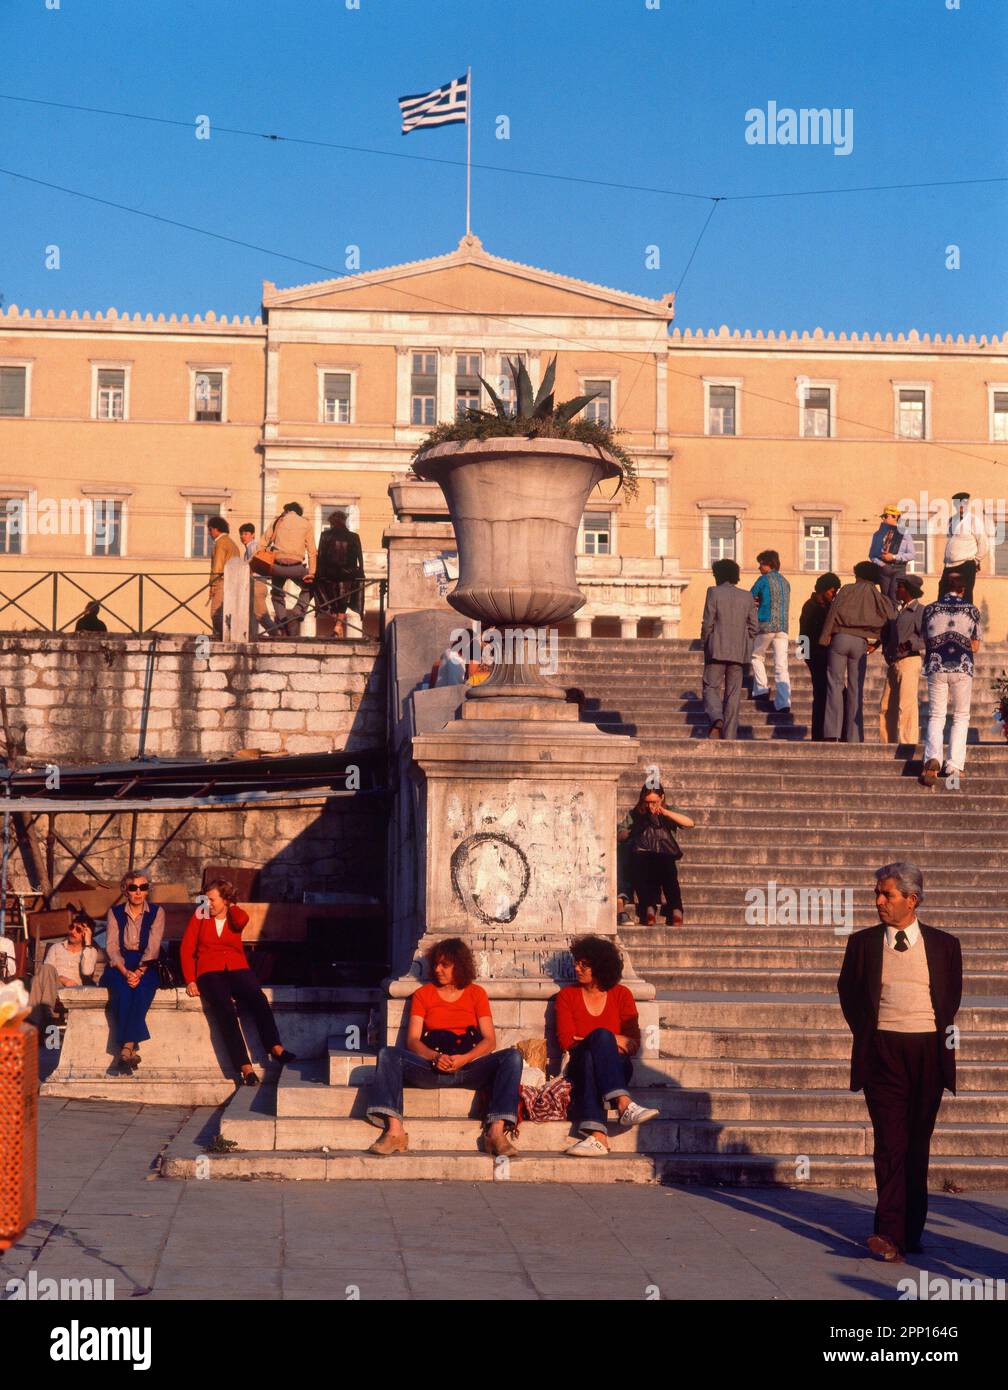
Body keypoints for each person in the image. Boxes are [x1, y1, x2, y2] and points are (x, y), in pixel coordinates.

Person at [837, 863, 962, 1262]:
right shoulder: (862, 944)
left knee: (916, 1144)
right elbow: (850, 995)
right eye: (877, 893)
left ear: (913, 899)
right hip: (883, 1052)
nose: (879, 901)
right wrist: (874, 1034)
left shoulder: (945, 945)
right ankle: (888, 1233)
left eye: (887, 894)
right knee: (890, 1143)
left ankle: (910, 1231)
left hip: (928, 1052)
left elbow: (950, 999)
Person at [365, 937, 521, 1158]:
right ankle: (395, 1131)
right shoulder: (423, 994)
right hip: (430, 1068)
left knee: (512, 1057)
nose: (437, 969)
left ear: (460, 966)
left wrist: (465, 1058)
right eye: (436, 964)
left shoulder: (476, 994)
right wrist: (435, 1057)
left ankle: (496, 1133)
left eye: (444, 965)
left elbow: (489, 1040)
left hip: (468, 1067)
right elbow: (412, 1040)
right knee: (387, 1054)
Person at [180, 879, 295, 1085]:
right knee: (225, 1010)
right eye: (205, 900)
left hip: (236, 966)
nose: (208, 904)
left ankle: (275, 1047)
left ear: (225, 899)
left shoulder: (236, 914)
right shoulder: (200, 915)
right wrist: (190, 979)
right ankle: (245, 1067)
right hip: (209, 970)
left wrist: (231, 905)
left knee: (258, 998)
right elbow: (187, 949)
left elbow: (241, 921)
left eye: (213, 899)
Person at [556, 935, 659, 1156]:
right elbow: (566, 1040)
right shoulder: (567, 996)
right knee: (599, 1041)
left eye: (584, 964)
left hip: (618, 1067)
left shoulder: (622, 995)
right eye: (576, 962)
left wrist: (596, 1040)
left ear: (600, 966)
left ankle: (598, 1137)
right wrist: (612, 1039)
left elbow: (632, 1043)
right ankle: (624, 1104)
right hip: (578, 1066)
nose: (577, 968)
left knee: (596, 1051)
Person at [819, 561, 896, 743]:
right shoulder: (878, 595)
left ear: (859, 575)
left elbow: (833, 612)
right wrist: (878, 643)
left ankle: (833, 733)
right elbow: (891, 619)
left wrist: (824, 638)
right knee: (856, 689)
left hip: (840, 638)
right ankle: (854, 735)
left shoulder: (846, 589)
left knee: (834, 686)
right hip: (861, 643)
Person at [919, 570, 981, 787]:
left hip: (936, 664)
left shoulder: (929, 609)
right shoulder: (972, 610)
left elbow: (924, 639)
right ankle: (954, 765)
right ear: (963, 589)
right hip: (962, 667)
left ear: (943, 587)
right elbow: (975, 644)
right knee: (961, 716)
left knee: (936, 715)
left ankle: (931, 761)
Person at [100, 873, 165, 1073]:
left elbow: (153, 947)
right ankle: (130, 1049)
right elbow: (111, 947)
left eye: (143, 887)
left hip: (147, 963)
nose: (138, 892)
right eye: (133, 888)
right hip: (121, 962)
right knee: (122, 992)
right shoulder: (115, 913)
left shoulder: (156, 912)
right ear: (125, 890)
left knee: (143, 991)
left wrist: (139, 971)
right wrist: (126, 971)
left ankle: (126, 1048)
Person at [617, 784, 694, 926]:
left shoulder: (669, 811)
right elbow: (620, 835)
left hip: (665, 857)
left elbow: (690, 823)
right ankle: (652, 909)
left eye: (654, 801)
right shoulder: (636, 813)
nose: (650, 805)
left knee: (668, 872)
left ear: (662, 797)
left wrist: (665, 812)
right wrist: (635, 830)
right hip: (643, 857)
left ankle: (671, 909)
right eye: (647, 802)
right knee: (644, 870)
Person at [700, 557, 759, 740]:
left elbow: (708, 622)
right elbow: (754, 627)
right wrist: (744, 644)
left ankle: (716, 717)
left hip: (716, 649)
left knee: (710, 686)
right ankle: (730, 734)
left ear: (718, 575)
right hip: (738, 654)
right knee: (733, 695)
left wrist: (706, 642)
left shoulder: (713, 592)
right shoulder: (747, 596)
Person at [27, 910, 101, 1025]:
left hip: (74, 989)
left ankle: (33, 1022)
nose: (73, 931)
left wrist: (87, 943)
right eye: (71, 927)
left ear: (86, 933)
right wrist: (64, 979)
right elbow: (46, 971)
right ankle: (48, 1017)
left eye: (78, 930)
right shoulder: (56, 947)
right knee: (43, 973)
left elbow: (87, 971)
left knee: (35, 980)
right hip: (53, 985)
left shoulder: (90, 951)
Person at [879, 574, 925, 746]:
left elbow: (926, 638)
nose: (896, 590)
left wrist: (909, 644)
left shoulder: (920, 611)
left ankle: (908, 744)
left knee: (906, 706)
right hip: (894, 663)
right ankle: (887, 744)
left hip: (909, 662)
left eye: (900, 587)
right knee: (885, 707)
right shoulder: (898, 610)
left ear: (908, 590)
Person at [262, 501, 317, 637]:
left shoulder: (277, 522)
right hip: (296, 568)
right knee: (313, 586)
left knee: (276, 593)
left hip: (277, 567)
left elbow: (263, 542)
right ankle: (297, 612)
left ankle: (282, 620)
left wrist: (259, 564)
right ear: (299, 512)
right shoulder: (306, 524)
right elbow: (312, 551)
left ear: (286, 510)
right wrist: (312, 573)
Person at [798, 572, 840, 741]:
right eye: (831, 591)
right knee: (821, 694)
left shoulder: (829, 607)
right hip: (816, 657)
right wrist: (806, 657)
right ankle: (818, 734)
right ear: (823, 590)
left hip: (829, 655)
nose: (833, 595)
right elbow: (803, 632)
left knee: (829, 694)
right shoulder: (810, 606)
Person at [749, 550, 791, 711]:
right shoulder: (786, 582)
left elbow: (749, 598)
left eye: (761, 564)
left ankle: (761, 688)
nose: (759, 567)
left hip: (765, 625)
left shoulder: (763, 580)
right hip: (783, 627)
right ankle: (784, 702)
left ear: (769, 564)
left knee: (756, 656)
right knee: (781, 665)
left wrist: (757, 602)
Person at [315, 510, 365, 639]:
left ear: (331, 522)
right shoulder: (354, 536)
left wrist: (318, 573)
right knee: (343, 601)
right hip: (349, 573)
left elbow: (320, 556)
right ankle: (338, 627)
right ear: (344, 521)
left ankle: (337, 627)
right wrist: (361, 572)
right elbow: (360, 556)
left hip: (329, 573)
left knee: (333, 602)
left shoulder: (325, 535)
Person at [940, 491, 988, 603]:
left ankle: (966, 619)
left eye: (964, 503)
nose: (961, 506)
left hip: (965, 564)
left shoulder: (974, 520)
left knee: (964, 596)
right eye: (958, 504)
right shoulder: (952, 520)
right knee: (943, 592)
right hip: (949, 565)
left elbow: (983, 543)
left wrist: (976, 561)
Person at [868, 504, 915, 606]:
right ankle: (886, 621)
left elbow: (911, 555)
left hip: (899, 568)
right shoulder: (878, 534)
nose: (883, 519)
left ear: (895, 517)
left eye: (886, 516)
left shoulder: (905, 533)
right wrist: (882, 564)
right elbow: (872, 555)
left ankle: (895, 620)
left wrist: (893, 557)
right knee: (884, 599)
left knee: (895, 598)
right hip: (884, 570)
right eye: (883, 517)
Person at [206, 516, 241, 641]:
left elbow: (218, 566)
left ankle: (222, 637)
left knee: (215, 612)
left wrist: (213, 585)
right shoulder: (232, 543)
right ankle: (228, 635)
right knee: (228, 612)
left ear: (216, 529)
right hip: (235, 582)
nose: (209, 533)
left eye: (210, 530)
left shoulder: (220, 543)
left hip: (222, 582)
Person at [238, 521, 268, 635]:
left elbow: (254, 565)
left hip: (257, 583)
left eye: (246, 534)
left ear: (253, 535)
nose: (242, 536)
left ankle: (277, 633)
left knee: (261, 615)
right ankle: (254, 636)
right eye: (241, 534)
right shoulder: (247, 550)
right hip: (253, 584)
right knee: (255, 614)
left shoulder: (254, 546)